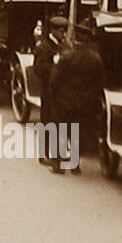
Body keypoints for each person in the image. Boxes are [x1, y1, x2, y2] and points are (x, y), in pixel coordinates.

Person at [42, 19, 105, 175]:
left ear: (76, 38)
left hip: (64, 101)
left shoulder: (66, 57)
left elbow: (54, 80)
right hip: (84, 103)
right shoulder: (95, 58)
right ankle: (75, 165)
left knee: (61, 129)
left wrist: (55, 95)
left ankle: (58, 165)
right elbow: (100, 81)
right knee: (76, 131)